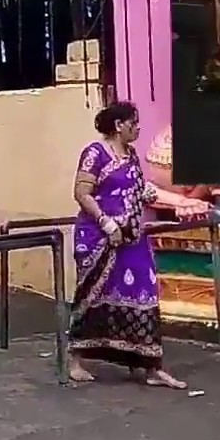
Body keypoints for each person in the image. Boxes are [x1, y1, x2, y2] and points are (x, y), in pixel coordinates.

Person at [67, 101, 186, 389]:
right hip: (99, 239)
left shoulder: (130, 154)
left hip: (132, 237)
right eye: (134, 122)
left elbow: (141, 189)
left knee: (144, 293)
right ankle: (76, 360)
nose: (139, 127)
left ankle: (150, 365)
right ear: (119, 125)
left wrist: (182, 201)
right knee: (93, 296)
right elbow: (81, 192)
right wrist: (107, 223)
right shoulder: (94, 154)